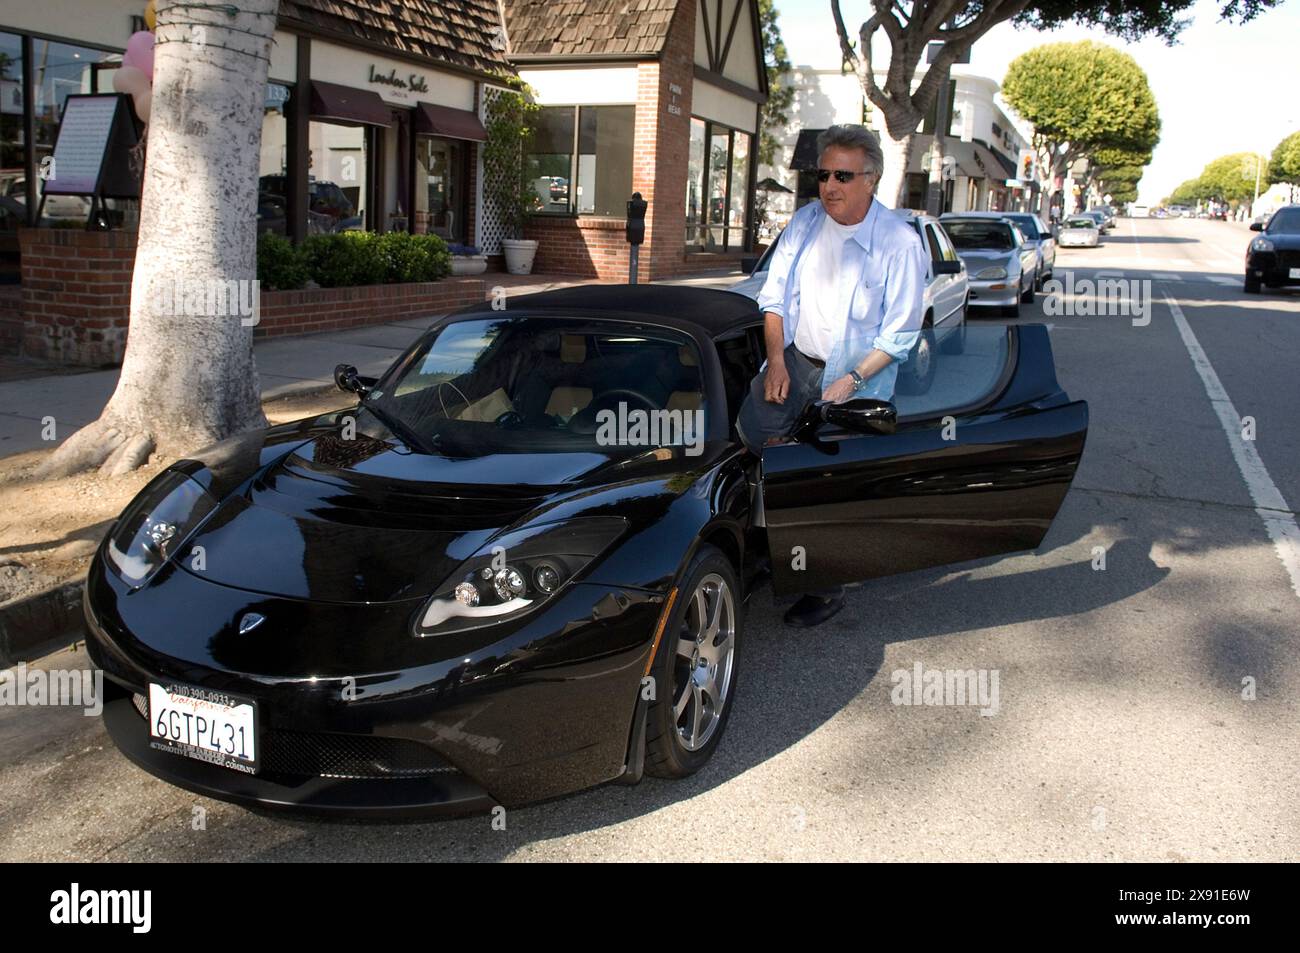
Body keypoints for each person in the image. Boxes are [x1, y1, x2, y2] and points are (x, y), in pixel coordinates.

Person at [736, 124, 927, 628]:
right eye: (823, 174)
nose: (829, 186)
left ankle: (825, 584)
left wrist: (854, 382)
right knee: (754, 440)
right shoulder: (804, 223)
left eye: (842, 175)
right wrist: (776, 360)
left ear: (872, 180)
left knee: (826, 481)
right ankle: (769, 548)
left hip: (857, 377)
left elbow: (900, 335)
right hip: (796, 361)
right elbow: (773, 298)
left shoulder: (900, 244)